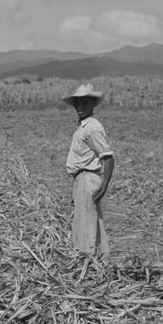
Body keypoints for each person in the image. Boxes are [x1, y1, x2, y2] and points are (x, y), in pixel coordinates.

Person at [63, 84, 115, 258]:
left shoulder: (92, 128)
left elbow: (107, 157)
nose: (80, 107)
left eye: (84, 102)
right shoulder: (84, 126)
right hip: (82, 179)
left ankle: (85, 260)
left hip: (87, 178)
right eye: (77, 103)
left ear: (92, 104)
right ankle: (100, 258)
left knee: (85, 223)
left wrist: (105, 184)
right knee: (90, 219)